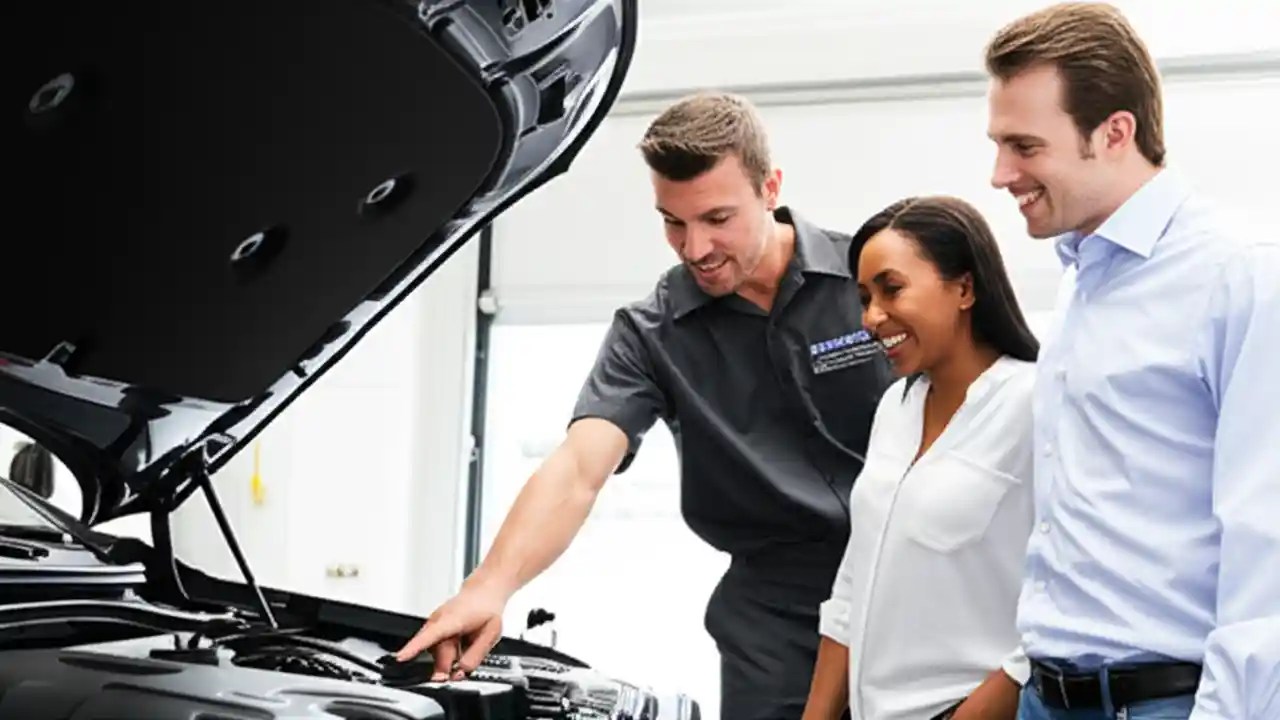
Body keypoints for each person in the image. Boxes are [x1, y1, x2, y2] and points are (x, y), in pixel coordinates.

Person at [396, 91, 895, 719]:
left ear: (771, 187)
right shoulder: (651, 333)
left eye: (718, 218)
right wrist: (489, 586)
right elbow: (579, 469)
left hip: (913, 582)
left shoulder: (873, 276)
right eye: (673, 222)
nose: (694, 248)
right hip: (775, 617)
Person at [982, 3, 1280, 719]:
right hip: (1048, 697)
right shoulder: (1085, 275)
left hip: (1165, 702)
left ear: (1116, 132)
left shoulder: (1237, 276)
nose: (999, 174)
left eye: (1024, 146)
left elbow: (1268, 541)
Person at [801, 196, 1040, 720]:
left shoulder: (1033, 403)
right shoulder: (896, 406)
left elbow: (1063, 605)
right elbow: (852, 583)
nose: (871, 317)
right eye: (864, 297)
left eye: (892, 289)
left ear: (965, 288)